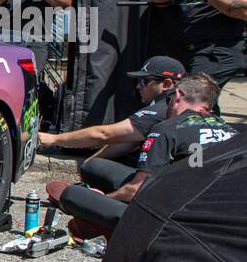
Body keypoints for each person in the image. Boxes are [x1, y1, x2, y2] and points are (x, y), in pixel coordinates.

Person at [46, 73, 238, 239]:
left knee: (71, 195)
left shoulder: (168, 128)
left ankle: (107, 226)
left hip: (179, 222)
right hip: (224, 213)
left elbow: (135, 190)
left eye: (169, 100)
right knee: (94, 167)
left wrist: (106, 198)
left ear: (178, 96)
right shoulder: (233, 131)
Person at [38, 57, 184, 190]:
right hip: (175, 178)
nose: (138, 87)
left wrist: (53, 139)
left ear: (166, 84)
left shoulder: (162, 108)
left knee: (95, 168)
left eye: (144, 81)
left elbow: (103, 134)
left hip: (165, 184)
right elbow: (126, 142)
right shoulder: (175, 103)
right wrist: (91, 161)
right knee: (97, 164)